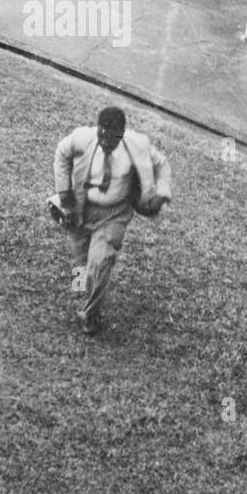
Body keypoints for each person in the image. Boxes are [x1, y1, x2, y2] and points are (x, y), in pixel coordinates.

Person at [52, 106, 171, 336]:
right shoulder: (82, 138)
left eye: (112, 138)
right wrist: (64, 193)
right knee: (83, 260)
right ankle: (84, 286)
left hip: (114, 215)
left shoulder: (137, 145)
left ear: (122, 133)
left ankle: (91, 315)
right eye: (101, 135)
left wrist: (161, 193)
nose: (105, 143)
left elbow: (162, 165)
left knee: (101, 262)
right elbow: (61, 153)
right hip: (82, 210)